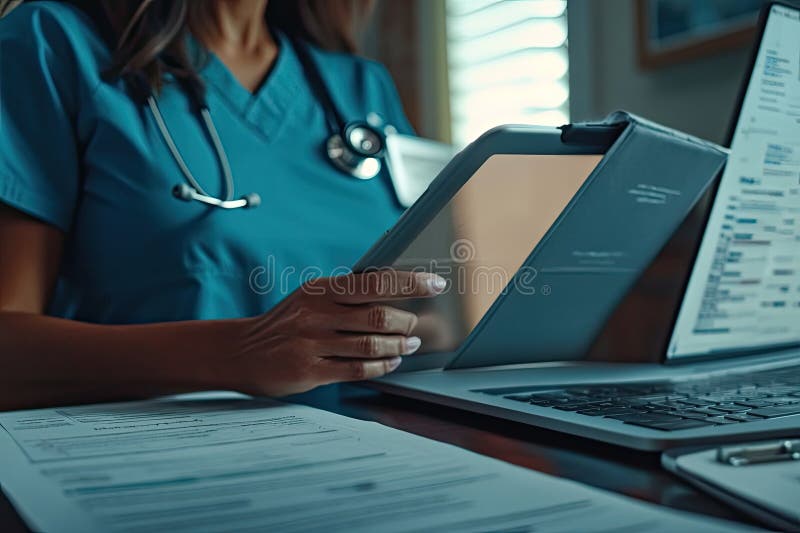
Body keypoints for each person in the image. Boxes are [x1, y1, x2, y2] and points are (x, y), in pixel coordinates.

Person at [0, 0, 445, 411]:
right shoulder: (53, 43)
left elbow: (427, 316)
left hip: (378, 445)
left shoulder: (362, 86)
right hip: (157, 450)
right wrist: (237, 353)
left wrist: (427, 335)